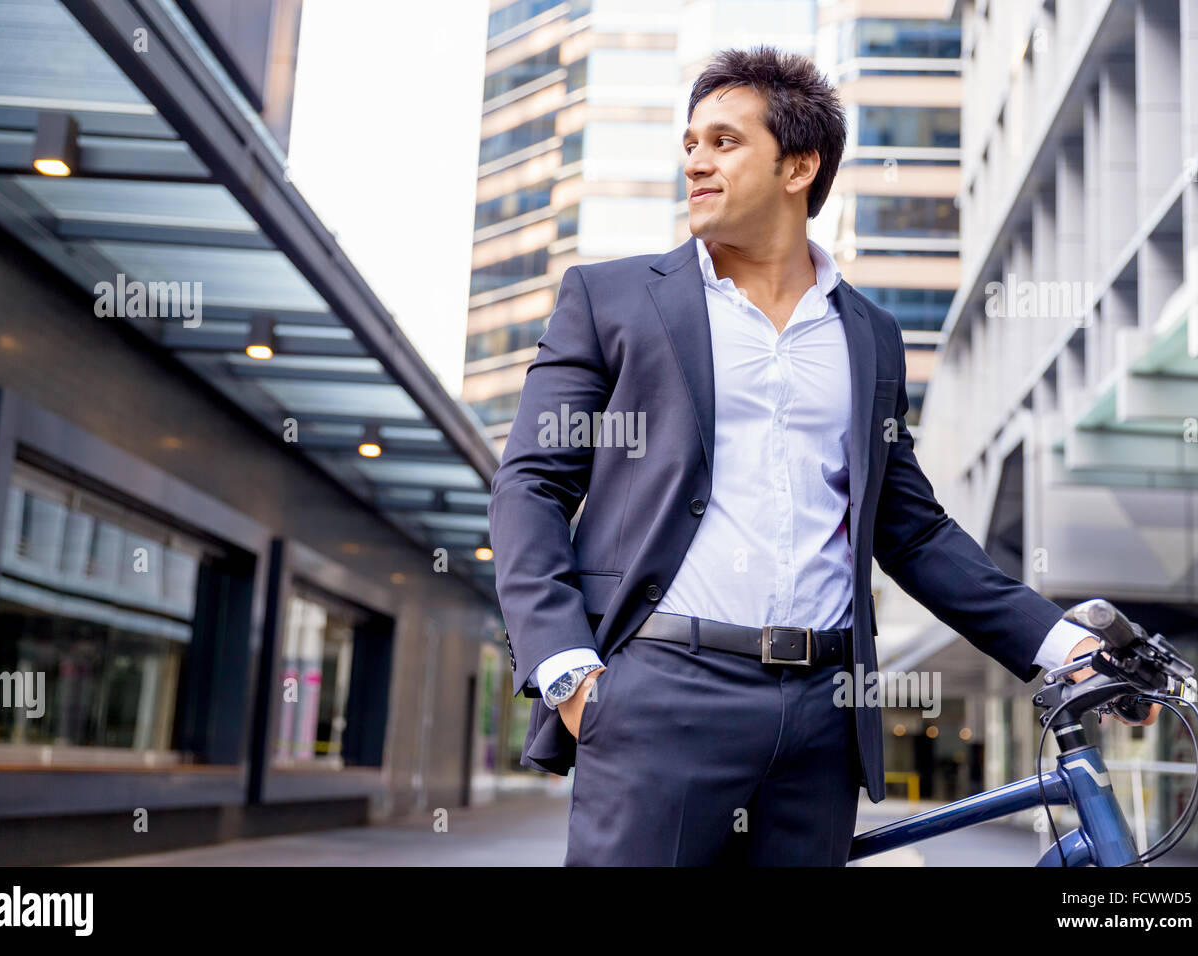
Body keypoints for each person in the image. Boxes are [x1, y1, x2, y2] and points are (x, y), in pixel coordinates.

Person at [487, 45, 1156, 866]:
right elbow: (530, 484)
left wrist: (1061, 644)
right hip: (661, 693)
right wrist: (570, 675)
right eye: (691, 142)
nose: (695, 161)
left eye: (725, 142)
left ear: (799, 165)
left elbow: (910, 531)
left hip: (824, 710)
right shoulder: (612, 298)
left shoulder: (868, 335)